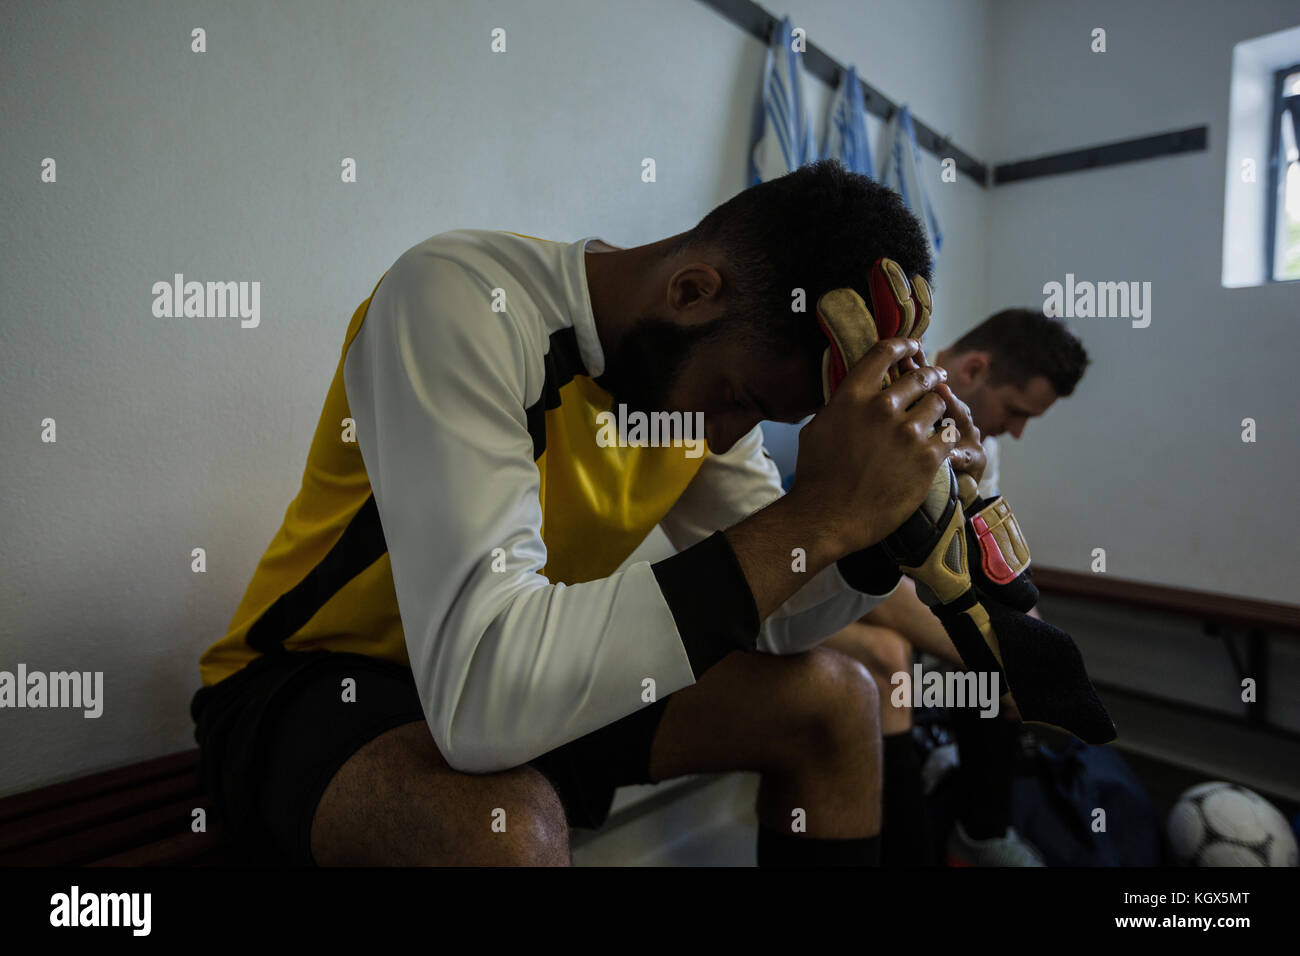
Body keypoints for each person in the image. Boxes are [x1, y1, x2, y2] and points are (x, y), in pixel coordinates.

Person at [188, 159, 991, 866]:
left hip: (521, 682)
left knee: (838, 700)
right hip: (315, 678)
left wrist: (875, 537)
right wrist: (821, 514)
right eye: (741, 399)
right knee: (505, 834)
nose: (731, 436)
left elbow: (780, 623)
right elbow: (478, 698)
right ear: (690, 292)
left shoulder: (703, 389)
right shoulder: (462, 299)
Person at [824, 309, 1090, 866]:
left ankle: (981, 832)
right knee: (924, 657)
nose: (1017, 431)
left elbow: (991, 560)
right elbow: (854, 565)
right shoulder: (879, 407)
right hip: (822, 579)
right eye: (1017, 412)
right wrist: (1005, 661)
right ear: (974, 368)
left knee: (1014, 644)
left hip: (874, 589)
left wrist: (1035, 650)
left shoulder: (974, 442)